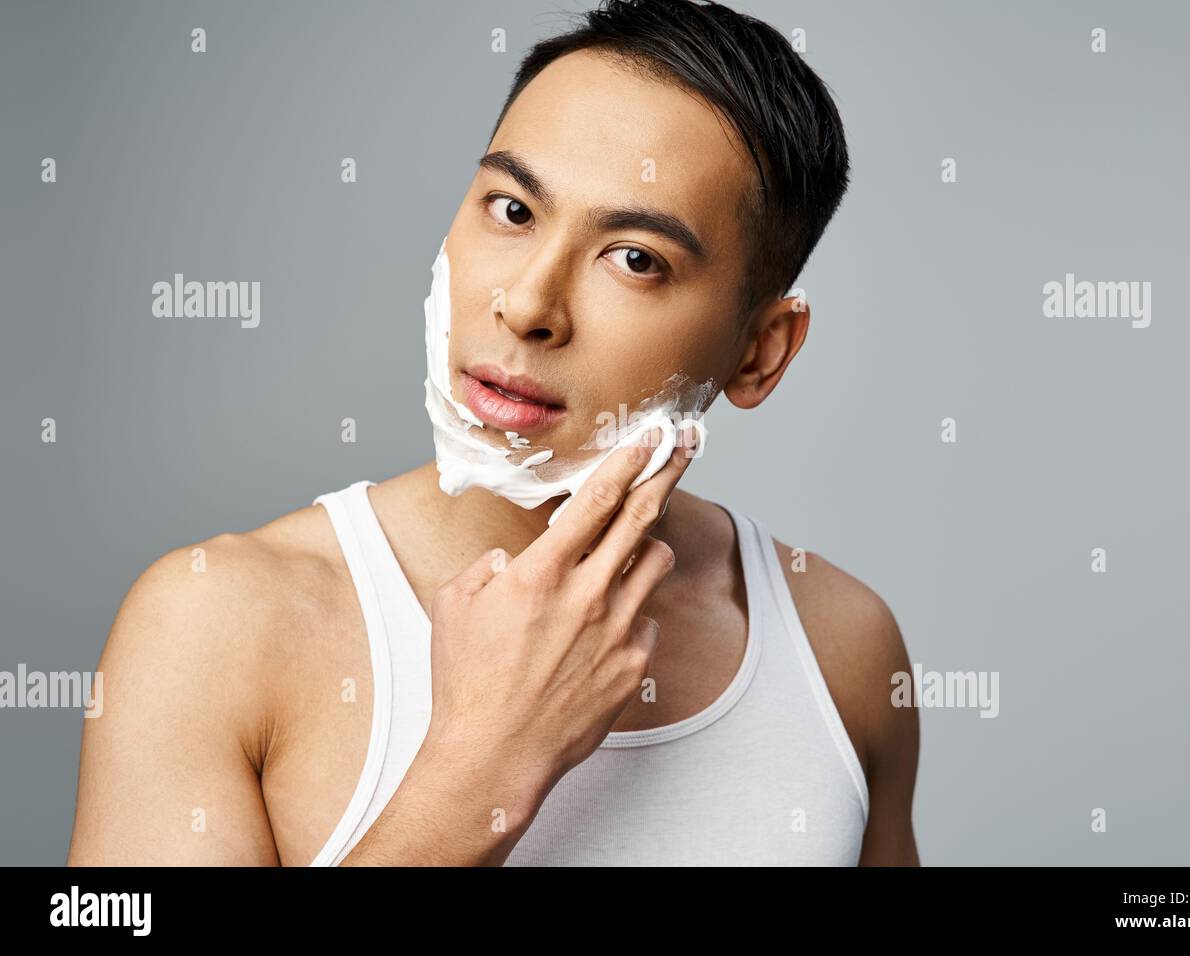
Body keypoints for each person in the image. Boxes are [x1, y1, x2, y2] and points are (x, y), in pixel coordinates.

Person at [67, 0, 919, 866]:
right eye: (513, 210)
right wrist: (484, 765)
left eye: (635, 258)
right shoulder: (212, 624)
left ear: (759, 353)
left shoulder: (842, 648)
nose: (528, 304)